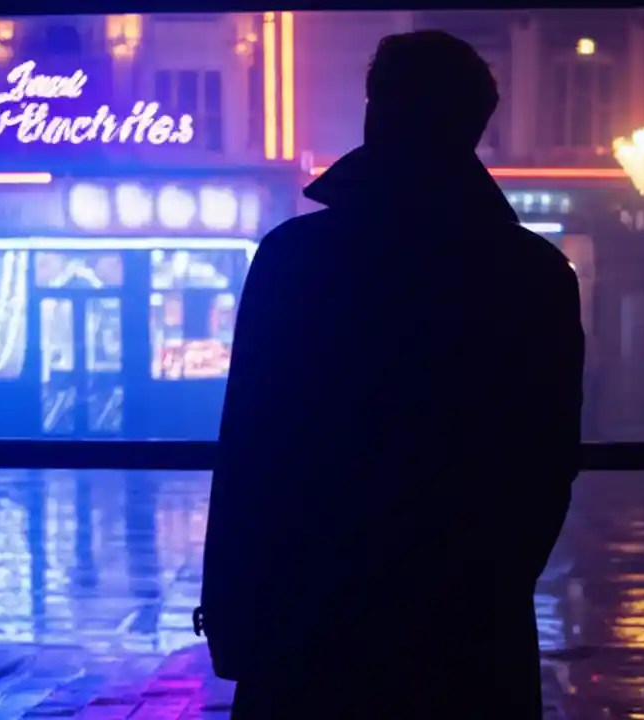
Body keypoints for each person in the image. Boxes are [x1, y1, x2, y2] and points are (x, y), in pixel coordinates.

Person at [198, 30, 584, 719]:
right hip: (468, 627)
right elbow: (546, 463)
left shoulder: (294, 259)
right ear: (476, 127)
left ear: (375, 113)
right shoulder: (533, 274)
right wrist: (492, 584)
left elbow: (251, 451)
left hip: (312, 614)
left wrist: (232, 607)